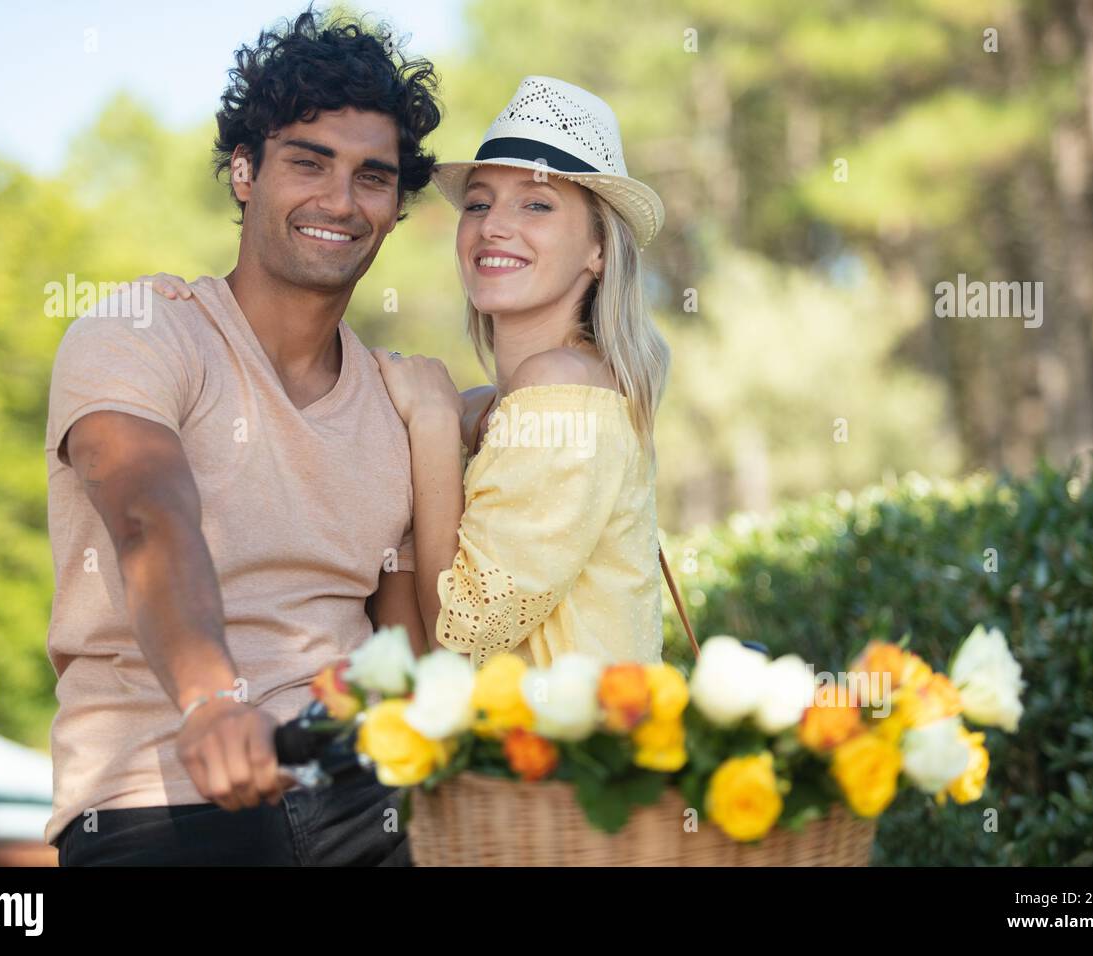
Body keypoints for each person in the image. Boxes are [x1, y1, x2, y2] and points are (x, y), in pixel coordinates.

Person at [43, 10, 440, 865]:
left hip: (360, 795)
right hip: (161, 797)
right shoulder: (144, 330)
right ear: (244, 172)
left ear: (397, 206)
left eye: (373, 177)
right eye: (308, 162)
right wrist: (211, 702)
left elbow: (407, 646)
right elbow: (152, 516)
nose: (340, 200)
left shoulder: (397, 401)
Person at [373, 75, 670, 669]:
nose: (492, 225)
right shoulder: (495, 406)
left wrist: (431, 422)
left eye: (536, 203)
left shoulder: (561, 392)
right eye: (479, 202)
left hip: (560, 759)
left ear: (599, 250)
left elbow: (465, 633)